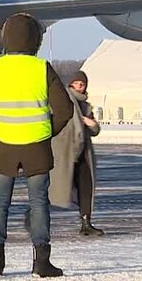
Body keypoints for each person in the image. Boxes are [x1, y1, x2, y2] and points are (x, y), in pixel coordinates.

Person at [0, 13, 72, 278]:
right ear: (36, 39)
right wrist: (48, 130)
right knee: (39, 203)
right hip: (37, 146)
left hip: (5, 145)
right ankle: (41, 262)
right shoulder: (41, 68)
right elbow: (65, 109)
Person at [49, 70, 104, 236]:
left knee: (86, 186)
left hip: (83, 152)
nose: (80, 86)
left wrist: (91, 123)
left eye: (83, 84)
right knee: (55, 187)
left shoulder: (85, 105)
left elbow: (94, 130)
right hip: (65, 149)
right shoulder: (65, 100)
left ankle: (86, 221)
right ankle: (38, 219)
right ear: (71, 84)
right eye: (77, 83)